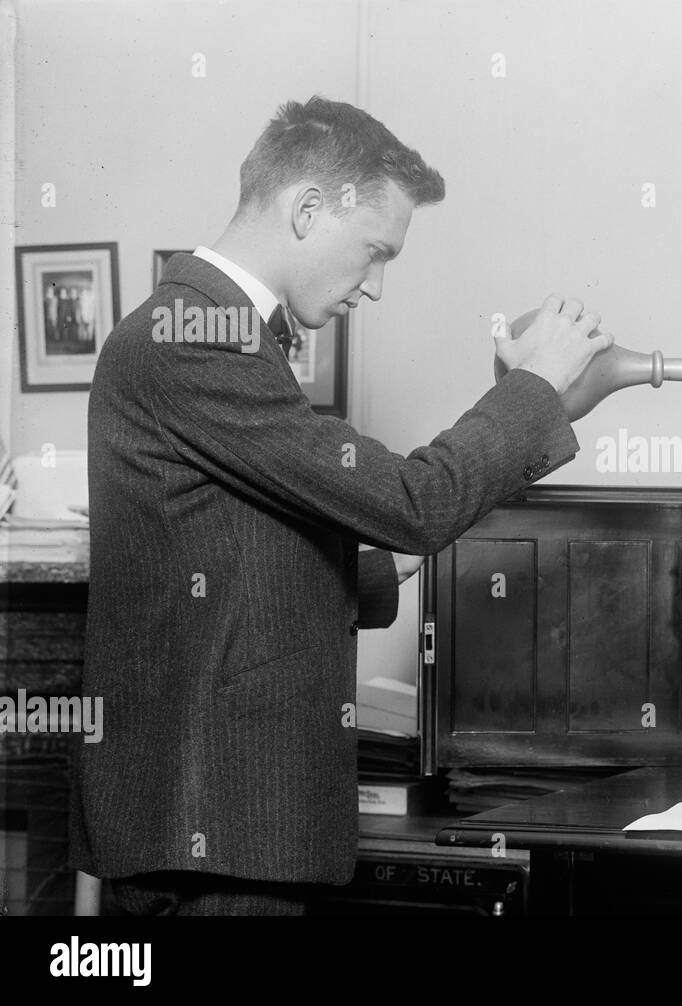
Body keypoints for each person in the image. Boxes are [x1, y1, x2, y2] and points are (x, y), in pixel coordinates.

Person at [68, 95, 611, 915]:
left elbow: (260, 553)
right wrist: (533, 393)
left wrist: (524, 419)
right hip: (223, 834)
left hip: (228, 829)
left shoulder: (219, 331)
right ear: (308, 208)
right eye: (375, 251)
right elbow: (409, 502)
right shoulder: (194, 337)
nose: (379, 284)